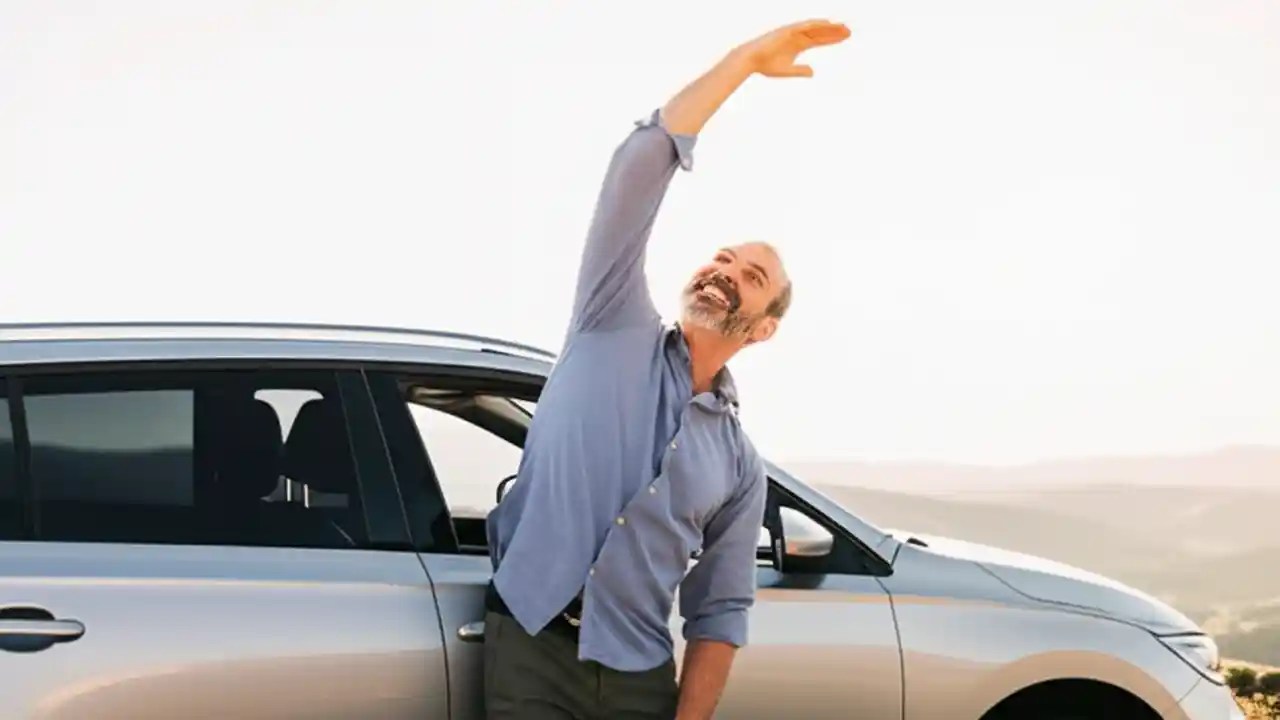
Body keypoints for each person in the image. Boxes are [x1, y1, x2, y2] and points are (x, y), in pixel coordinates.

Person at [483, 19, 851, 720]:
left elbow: (720, 611)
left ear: (764, 327)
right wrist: (743, 63)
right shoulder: (609, 321)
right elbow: (637, 166)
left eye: (749, 276)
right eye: (721, 258)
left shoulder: (739, 467)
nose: (723, 271)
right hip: (528, 649)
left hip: (638, 677)